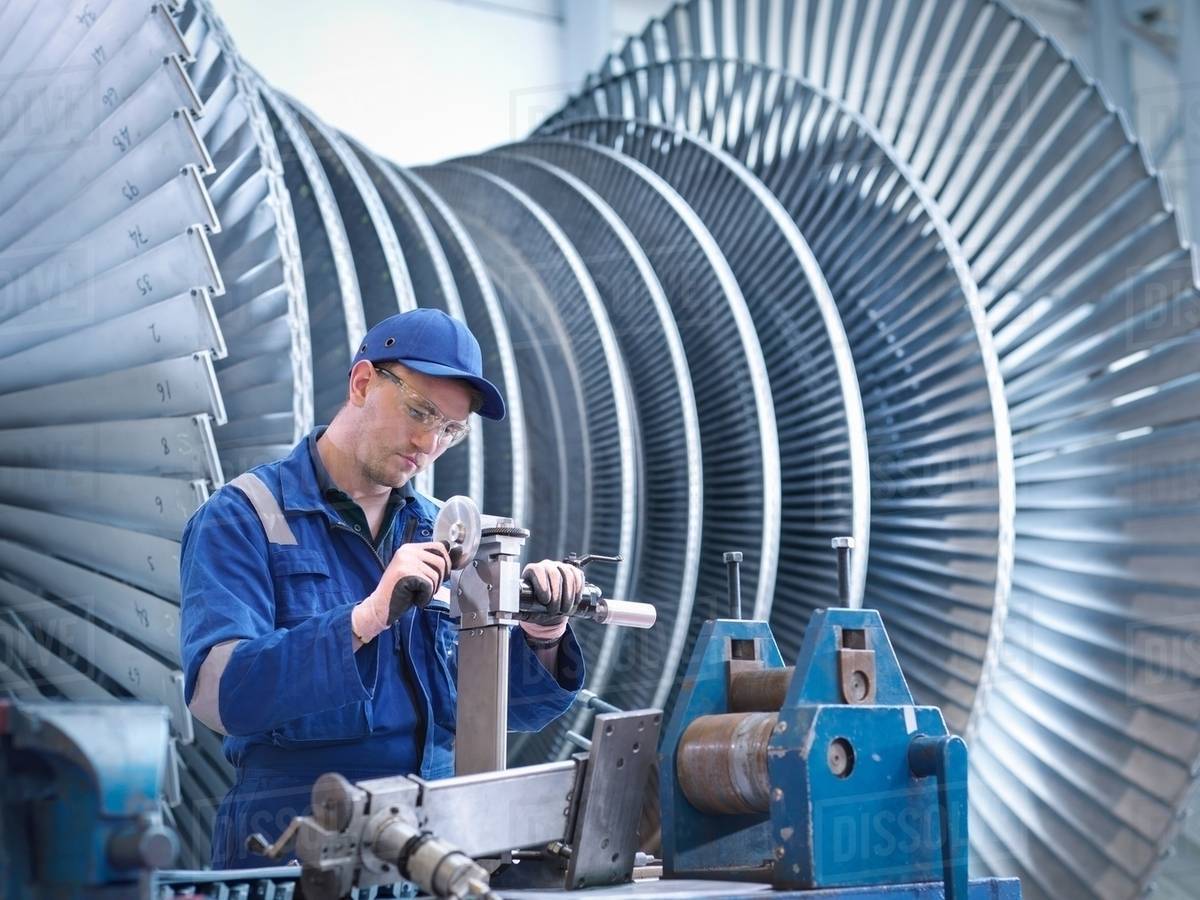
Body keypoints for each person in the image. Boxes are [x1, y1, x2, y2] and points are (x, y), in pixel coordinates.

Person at [179, 308, 585, 869]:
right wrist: (364, 618)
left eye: (450, 429)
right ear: (363, 382)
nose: (428, 442)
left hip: (433, 850)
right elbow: (220, 696)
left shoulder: (440, 528)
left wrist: (543, 633)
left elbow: (498, 708)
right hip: (293, 846)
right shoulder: (245, 517)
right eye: (419, 411)